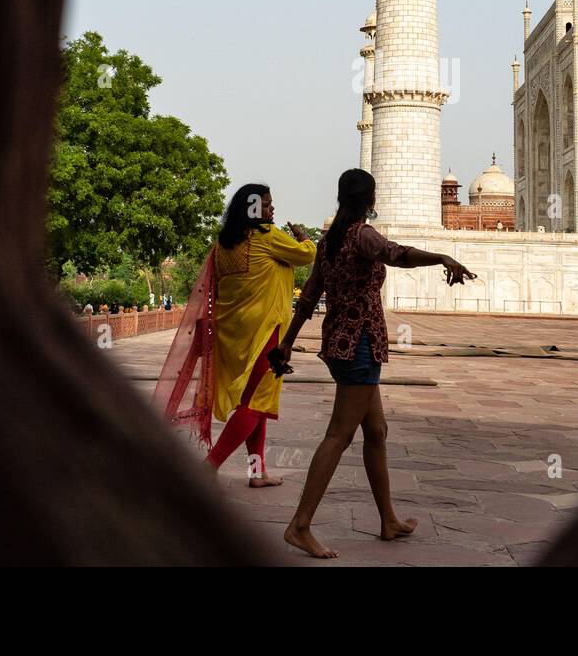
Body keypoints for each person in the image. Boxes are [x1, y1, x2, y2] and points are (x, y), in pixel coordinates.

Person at [272, 168, 476, 559]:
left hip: (340, 343)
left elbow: (311, 295)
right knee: (339, 435)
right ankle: (299, 525)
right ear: (370, 199)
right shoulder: (361, 234)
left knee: (377, 431)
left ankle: (388, 520)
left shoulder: (329, 239)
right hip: (359, 346)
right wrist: (442, 257)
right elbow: (396, 254)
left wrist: (287, 343)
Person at [152, 183, 316, 487]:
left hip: (232, 335)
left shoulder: (222, 245)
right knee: (254, 404)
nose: (272, 210)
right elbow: (307, 255)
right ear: (253, 209)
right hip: (264, 334)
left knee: (258, 402)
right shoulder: (267, 238)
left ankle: (257, 472)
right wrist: (304, 236)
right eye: (267, 205)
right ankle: (210, 465)